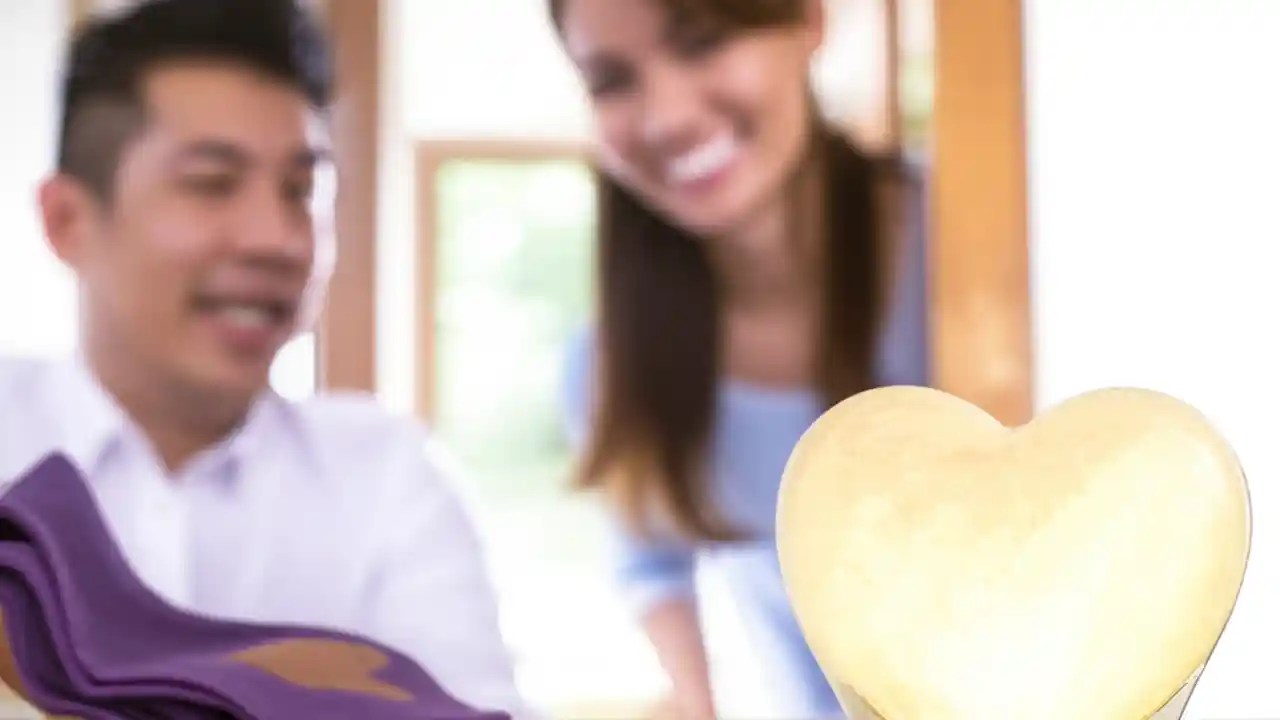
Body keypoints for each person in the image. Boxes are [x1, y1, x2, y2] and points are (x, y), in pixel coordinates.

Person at [0, 1, 528, 716]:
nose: (276, 238)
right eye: (212, 183)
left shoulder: (388, 477)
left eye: (301, 191)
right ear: (68, 221)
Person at [550, 0, 930, 717]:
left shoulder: (985, 246)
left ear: (809, 22)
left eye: (702, 43)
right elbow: (652, 565)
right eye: (610, 81)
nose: (667, 117)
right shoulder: (606, 368)